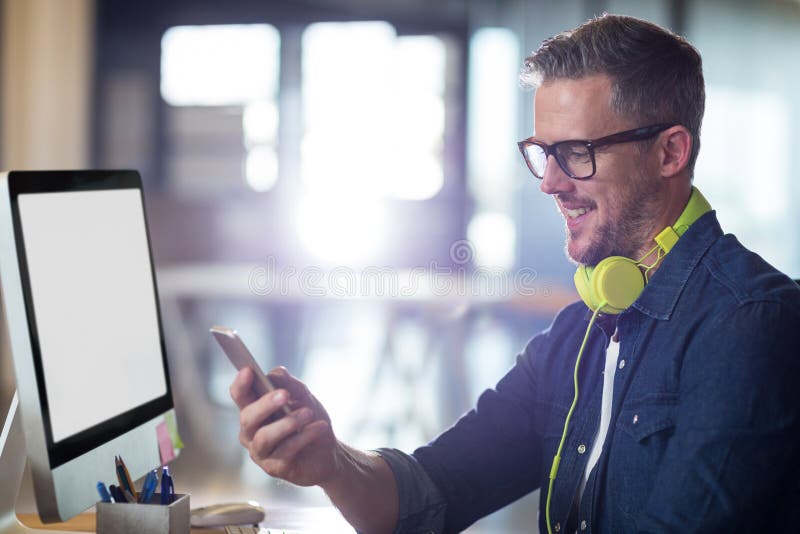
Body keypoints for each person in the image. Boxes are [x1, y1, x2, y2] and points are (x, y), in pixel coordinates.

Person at [230, 14, 800, 533]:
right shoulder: (580, 333)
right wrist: (332, 461)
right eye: (543, 152)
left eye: (577, 151)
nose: (550, 182)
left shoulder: (752, 325)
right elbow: (428, 493)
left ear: (670, 152)